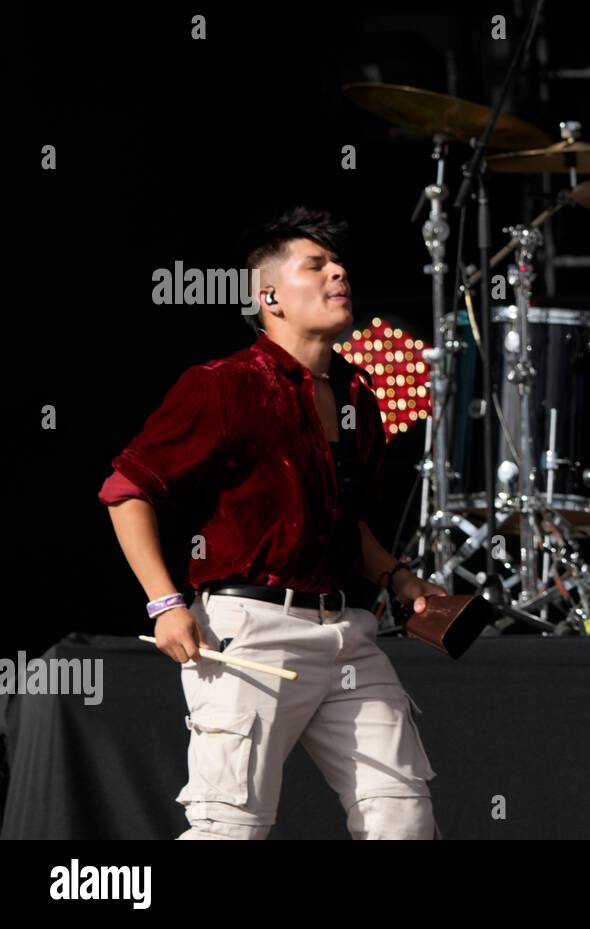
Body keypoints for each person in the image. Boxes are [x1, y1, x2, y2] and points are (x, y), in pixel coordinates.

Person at [99, 207, 448, 840]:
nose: (338, 272)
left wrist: (401, 580)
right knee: (229, 825)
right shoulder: (223, 385)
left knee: (403, 816)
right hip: (248, 634)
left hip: (346, 630)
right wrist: (164, 601)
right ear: (269, 298)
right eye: (315, 265)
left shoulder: (358, 396)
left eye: (338, 264)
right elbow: (126, 490)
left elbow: (345, 520)